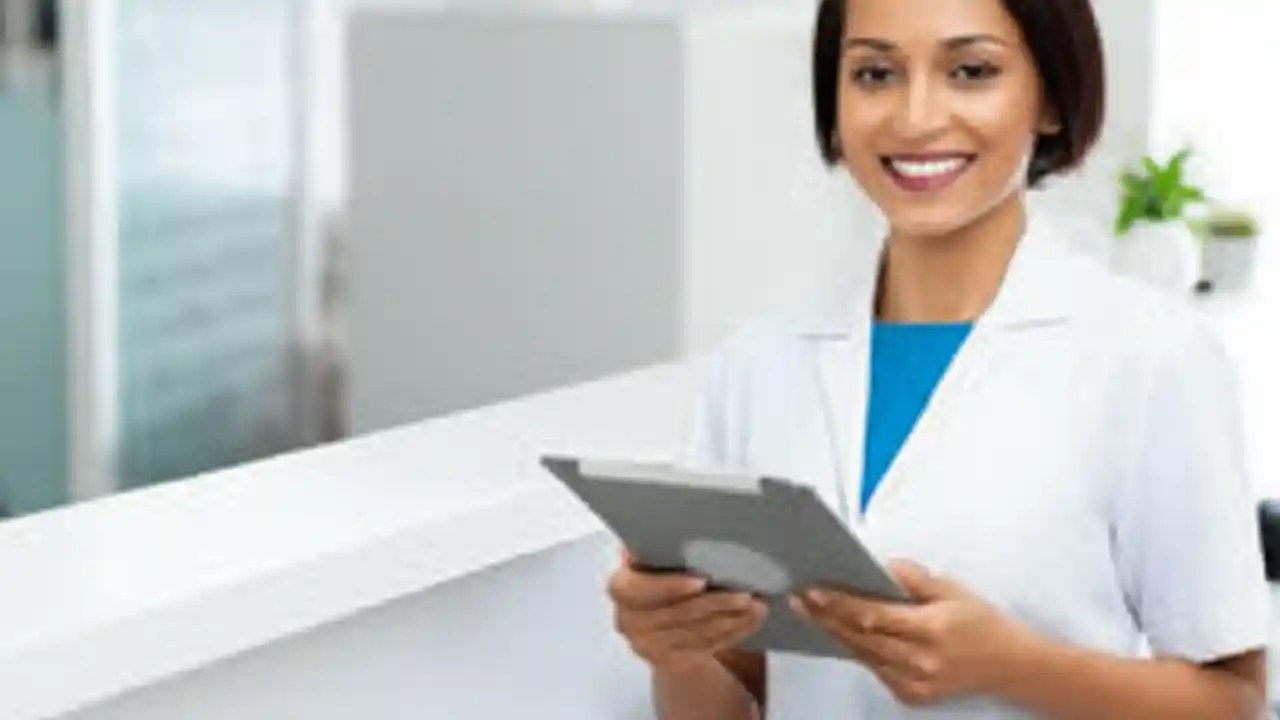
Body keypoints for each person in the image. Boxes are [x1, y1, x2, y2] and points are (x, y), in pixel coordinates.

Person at [604, 0, 1271, 717]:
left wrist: (1014, 666)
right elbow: (733, 707)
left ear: (1048, 98)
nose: (916, 116)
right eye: (876, 73)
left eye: (971, 71)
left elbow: (1232, 702)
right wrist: (675, 651)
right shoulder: (759, 367)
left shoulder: (1149, 357)